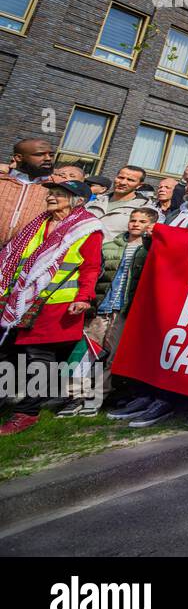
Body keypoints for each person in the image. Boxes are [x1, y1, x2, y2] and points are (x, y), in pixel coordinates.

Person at [0, 179, 103, 436]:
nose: (52, 197)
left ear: (77, 201)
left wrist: (84, 297)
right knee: (7, 354)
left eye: (60, 194)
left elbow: (91, 267)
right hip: (20, 301)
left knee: (39, 358)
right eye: (52, 193)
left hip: (57, 304)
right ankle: (6, 399)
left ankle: (27, 413)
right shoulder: (40, 223)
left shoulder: (87, 228)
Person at [82, 208, 157, 421]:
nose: (135, 224)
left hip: (124, 309)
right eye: (133, 220)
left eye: (142, 221)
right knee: (88, 354)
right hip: (103, 305)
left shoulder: (149, 248)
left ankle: (97, 397)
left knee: (111, 355)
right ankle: (75, 395)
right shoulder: (110, 246)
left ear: (150, 225)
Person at [86, 165, 153, 238]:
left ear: (139, 185)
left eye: (130, 180)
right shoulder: (95, 201)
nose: (123, 182)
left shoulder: (145, 209)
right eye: (120, 177)